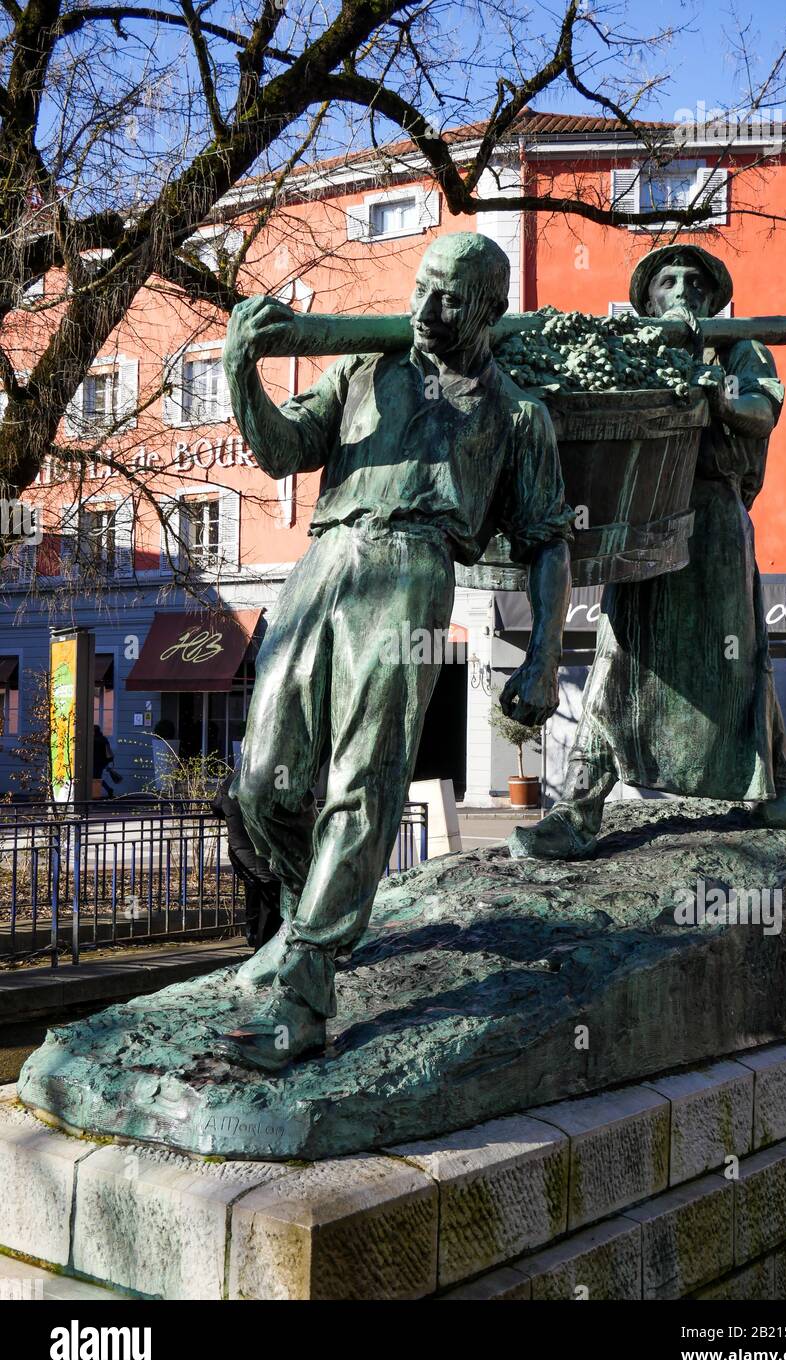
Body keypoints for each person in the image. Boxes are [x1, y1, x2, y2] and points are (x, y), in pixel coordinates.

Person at [219, 231, 575, 1068]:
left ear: (490, 310)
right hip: (321, 564)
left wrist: (545, 655)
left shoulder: (518, 414)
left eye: (448, 297)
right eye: (420, 288)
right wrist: (239, 369)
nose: (423, 309)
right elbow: (281, 449)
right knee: (262, 777)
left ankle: (305, 986)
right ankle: (324, 913)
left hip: (415, 571)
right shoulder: (362, 370)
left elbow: (551, 541)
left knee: (364, 777)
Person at [510, 244, 786, 863]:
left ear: (712, 296)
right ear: (647, 299)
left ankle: (780, 783)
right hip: (643, 511)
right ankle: (581, 806)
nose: (681, 291)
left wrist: (716, 397)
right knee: (619, 651)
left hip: (714, 510)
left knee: (739, 649)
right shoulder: (636, 351)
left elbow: (762, 410)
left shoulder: (739, 349)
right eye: (667, 282)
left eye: (694, 282)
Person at [211, 771, 282, 952]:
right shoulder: (265, 785)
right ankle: (263, 948)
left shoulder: (229, 788)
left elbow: (217, 807)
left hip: (240, 853)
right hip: (262, 854)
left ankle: (252, 936)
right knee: (270, 900)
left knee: (253, 893)